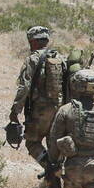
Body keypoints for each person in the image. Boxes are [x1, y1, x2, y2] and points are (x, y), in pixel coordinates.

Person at [8, 25, 66, 166]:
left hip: (40, 111)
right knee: (55, 146)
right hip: (60, 110)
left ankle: (50, 171)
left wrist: (15, 110)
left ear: (32, 41)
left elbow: (24, 87)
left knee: (33, 143)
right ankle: (57, 174)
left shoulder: (32, 59)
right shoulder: (60, 58)